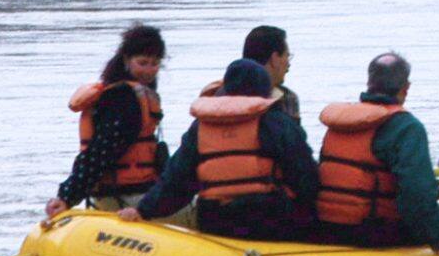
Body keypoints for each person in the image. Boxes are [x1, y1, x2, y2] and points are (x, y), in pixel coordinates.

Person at [121, 58, 319, 240]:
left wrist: (143, 210)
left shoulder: (201, 127)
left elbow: (176, 181)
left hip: (215, 222)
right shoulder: (277, 123)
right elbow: (305, 178)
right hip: (268, 221)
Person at [314, 53, 439, 254]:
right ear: (406, 88)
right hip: (373, 231)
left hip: (327, 226)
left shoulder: (340, 123)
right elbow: (416, 194)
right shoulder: (406, 127)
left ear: (369, 82)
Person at [49, 24, 168, 215]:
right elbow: (100, 152)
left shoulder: (130, 94)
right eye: (142, 63)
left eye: (154, 64)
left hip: (133, 192)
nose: (149, 70)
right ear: (127, 60)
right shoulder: (123, 99)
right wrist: (67, 197)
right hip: (126, 198)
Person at [201, 25, 301, 118]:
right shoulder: (286, 99)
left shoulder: (215, 97)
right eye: (287, 56)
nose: (288, 64)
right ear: (274, 59)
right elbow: (297, 136)